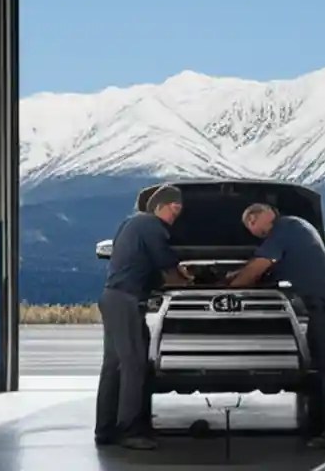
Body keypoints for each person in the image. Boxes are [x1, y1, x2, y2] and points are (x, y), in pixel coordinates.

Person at [227, 203, 325, 449]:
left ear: (262, 216)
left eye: (251, 223)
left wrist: (227, 288)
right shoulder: (294, 228)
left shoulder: (284, 229)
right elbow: (268, 270)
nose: (252, 231)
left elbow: (256, 269)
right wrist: (237, 273)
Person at [95, 184, 193, 450]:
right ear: (159, 206)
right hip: (126, 300)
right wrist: (189, 280)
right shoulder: (152, 226)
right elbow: (167, 265)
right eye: (174, 208)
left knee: (113, 366)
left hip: (112, 297)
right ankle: (130, 430)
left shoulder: (131, 223)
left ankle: (105, 430)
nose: (176, 215)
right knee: (134, 365)